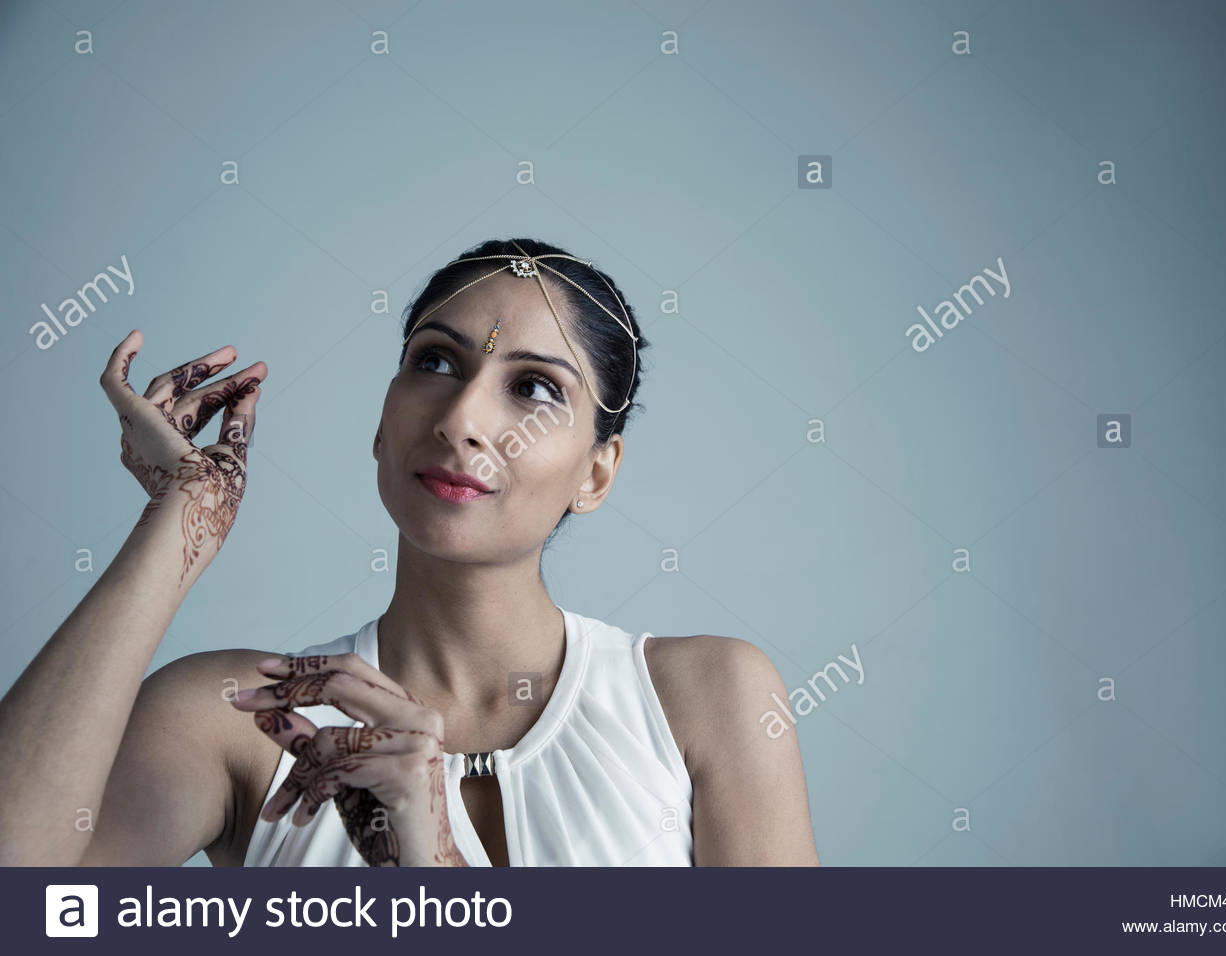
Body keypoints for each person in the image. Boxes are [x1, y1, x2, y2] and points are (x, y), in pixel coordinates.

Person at [0, 237, 819, 867]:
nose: (461, 415)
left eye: (534, 387)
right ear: (382, 423)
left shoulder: (708, 702)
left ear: (597, 472)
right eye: (434, 361)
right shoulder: (239, 717)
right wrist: (176, 527)